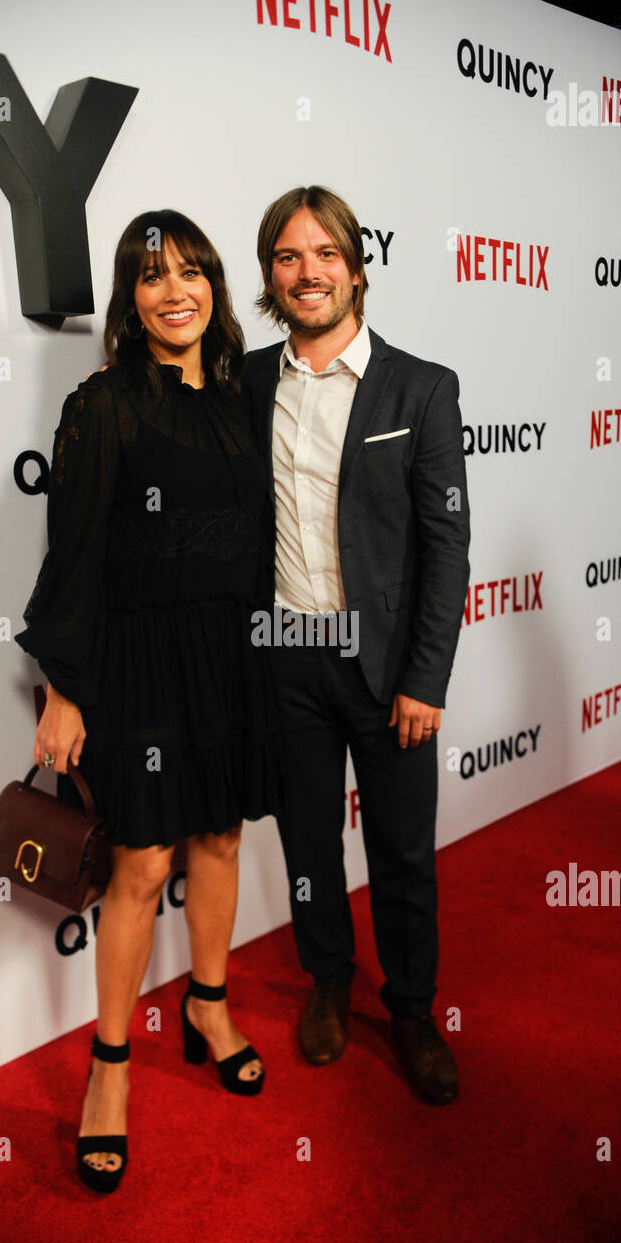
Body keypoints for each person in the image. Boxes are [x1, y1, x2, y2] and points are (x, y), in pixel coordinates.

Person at [14, 210, 282, 1193]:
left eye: (194, 273)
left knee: (219, 840)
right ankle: (109, 1068)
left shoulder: (241, 400)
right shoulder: (103, 404)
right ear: (129, 299)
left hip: (229, 655)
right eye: (154, 276)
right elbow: (74, 552)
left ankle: (209, 1007)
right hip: (139, 662)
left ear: (215, 285)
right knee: (138, 866)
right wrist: (64, 688)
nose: (178, 292)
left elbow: (260, 543)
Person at [241, 185, 470, 1104]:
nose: (307, 273)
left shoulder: (421, 387)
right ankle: (327, 981)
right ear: (270, 275)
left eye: (324, 254)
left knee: (404, 854)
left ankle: (411, 1008)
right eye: (288, 257)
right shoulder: (249, 382)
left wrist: (424, 678)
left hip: (386, 674)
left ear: (355, 266)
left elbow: (445, 546)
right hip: (287, 654)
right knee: (306, 844)